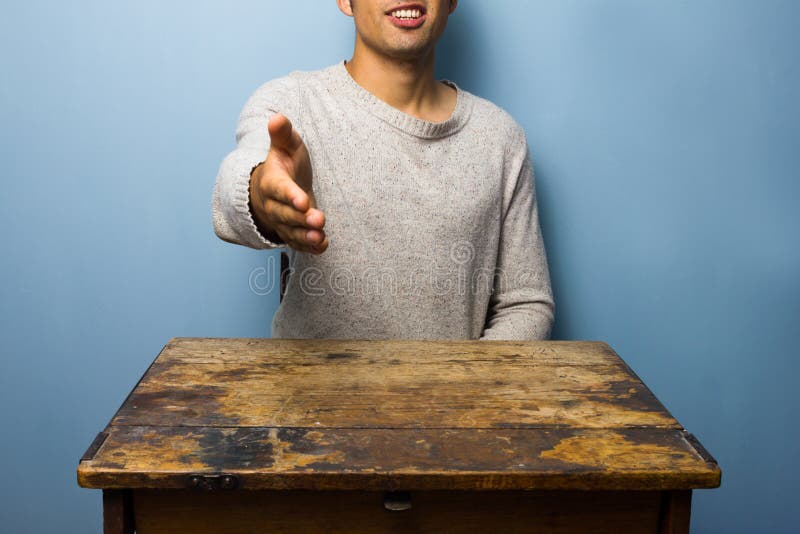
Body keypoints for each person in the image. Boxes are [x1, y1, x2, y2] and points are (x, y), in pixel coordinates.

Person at [212, 0, 554, 340]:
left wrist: (461, 374)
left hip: (457, 379)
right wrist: (263, 194)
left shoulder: (500, 138)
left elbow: (526, 304)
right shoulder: (292, 104)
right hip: (312, 377)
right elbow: (237, 185)